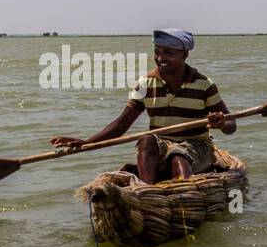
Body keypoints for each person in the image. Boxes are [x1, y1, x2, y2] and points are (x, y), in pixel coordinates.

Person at [50, 29, 235, 182]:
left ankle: (182, 191)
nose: (160, 58)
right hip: (162, 144)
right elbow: (122, 123)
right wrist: (88, 142)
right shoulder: (145, 84)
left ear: (185, 54)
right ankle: (146, 192)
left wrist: (221, 123)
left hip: (196, 145)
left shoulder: (203, 84)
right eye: (157, 52)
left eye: (168, 52)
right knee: (147, 139)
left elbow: (231, 125)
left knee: (178, 155)